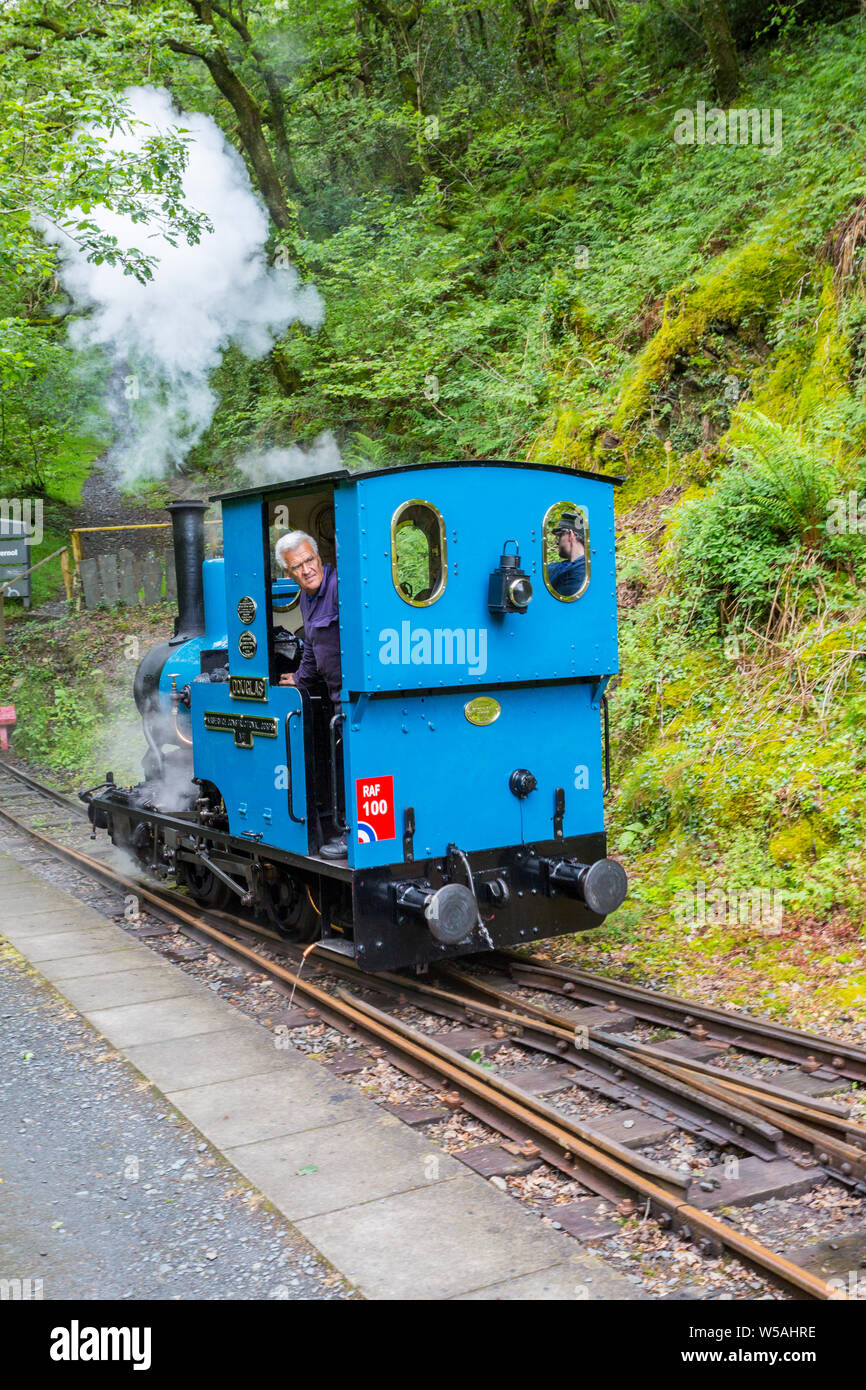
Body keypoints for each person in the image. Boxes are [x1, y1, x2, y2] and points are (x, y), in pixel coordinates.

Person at [275, 531, 346, 859]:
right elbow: (314, 647)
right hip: (335, 696)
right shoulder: (307, 597)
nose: (305, 570)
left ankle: (353, 836)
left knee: (354, 766)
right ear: (289, 574)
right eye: (296, 567)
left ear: (320, 558)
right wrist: (300, 678)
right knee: (342, 764)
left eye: (309, 561)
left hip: (355, 696)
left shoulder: (340, 588)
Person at [547, 512, 586, 597]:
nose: (557, 542)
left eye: (560, 536)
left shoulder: (580, 572)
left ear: (571, 535)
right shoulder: (564, 566)